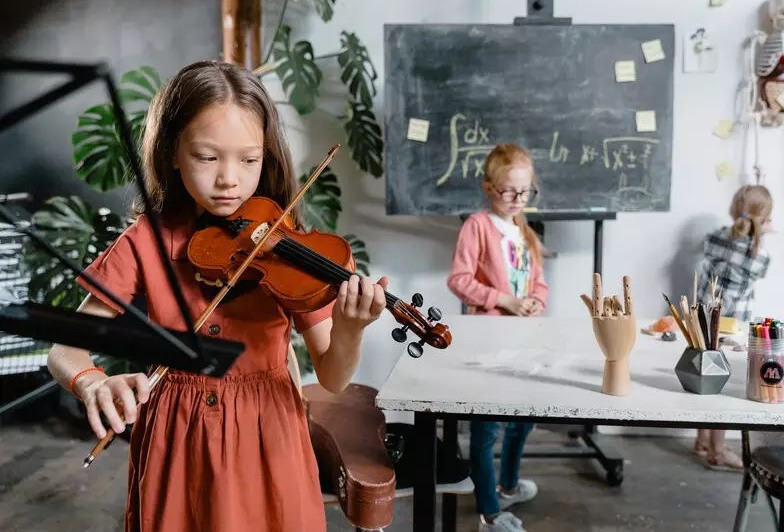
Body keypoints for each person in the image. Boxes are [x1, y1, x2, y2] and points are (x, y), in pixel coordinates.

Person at [46, 61, 388, 531]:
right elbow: (63, 346)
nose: (230, 178)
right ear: (173, 153)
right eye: (208, 157)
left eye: (249, 160)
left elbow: (332, 376)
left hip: (269, 433)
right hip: (177, 436)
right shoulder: (146, 241)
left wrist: (349, 330)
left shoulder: (287, 247)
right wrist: (92, 381)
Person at [447, 143, 549, 531]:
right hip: (489, 340)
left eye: (525, 192)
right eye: (509, 192)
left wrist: (536, 300)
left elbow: (538, 280)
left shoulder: (523, 228)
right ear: (489, 188)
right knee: (486, 426)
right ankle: (489, 511)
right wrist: (504, 299)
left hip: (524, 340)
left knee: (522, 418)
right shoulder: (477, 225)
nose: (518, 199)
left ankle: (507, 485)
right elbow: (458, 280)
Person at [694, 184, 773, 471]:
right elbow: (758, 270)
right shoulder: (759, 255)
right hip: (730, 327)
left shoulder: (713, 238)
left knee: (703, 377)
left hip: (702, 320)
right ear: (765, 218)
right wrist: (759, 234)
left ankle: (703, 439)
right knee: (721, 385)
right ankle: (717, 450)